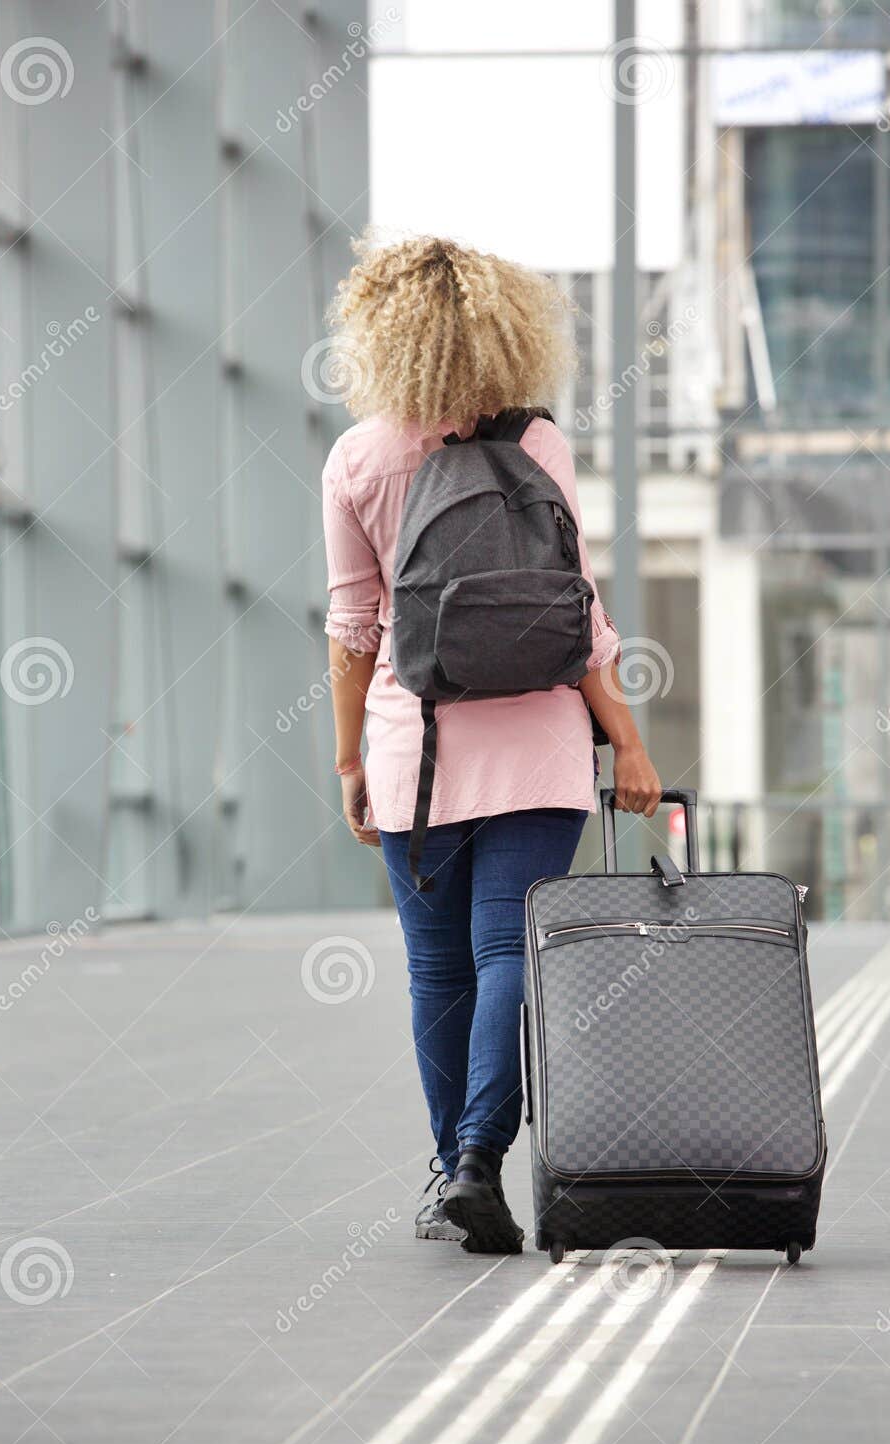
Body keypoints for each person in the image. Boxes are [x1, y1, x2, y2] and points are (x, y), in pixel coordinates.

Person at [323, 235, 661, 1253]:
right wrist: (629, 745)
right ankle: (480, 1157)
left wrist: (348, 763)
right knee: (509, 948)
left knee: (437, 974)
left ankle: (448, 1173)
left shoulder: (359, 455)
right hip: (539, 750)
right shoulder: (535, 442)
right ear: (499, 330)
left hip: (411, 752)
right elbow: (581, 610)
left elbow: (352, 630)